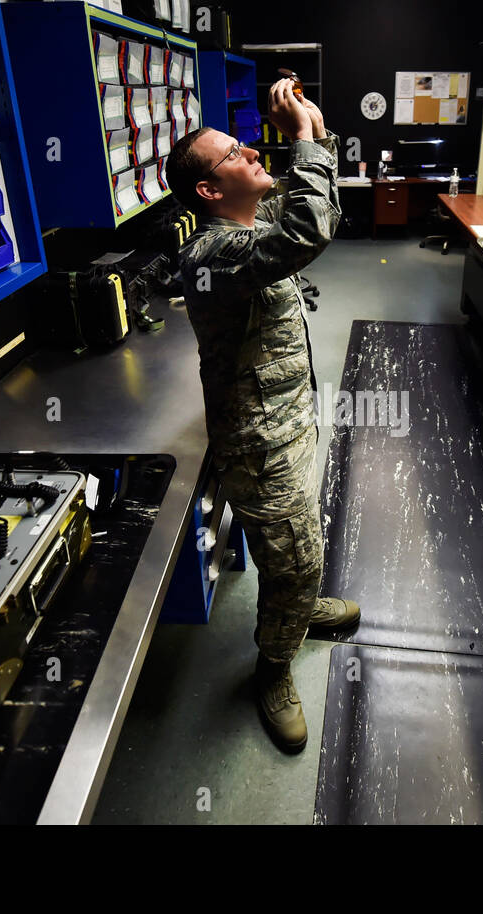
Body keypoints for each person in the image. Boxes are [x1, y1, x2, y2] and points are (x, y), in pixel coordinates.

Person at [165, 79, 360, 753]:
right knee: (296, 558)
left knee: (301, 534)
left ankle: (297, 605)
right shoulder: (214, 255)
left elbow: (319, 209)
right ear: (210, 193)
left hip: (292, 418)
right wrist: (303, 142)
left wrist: (314, 129)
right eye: (232, 152)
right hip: (260, 443)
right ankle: (273, 670)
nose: (251, 148)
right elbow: (308, 231)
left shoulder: (253, 223)